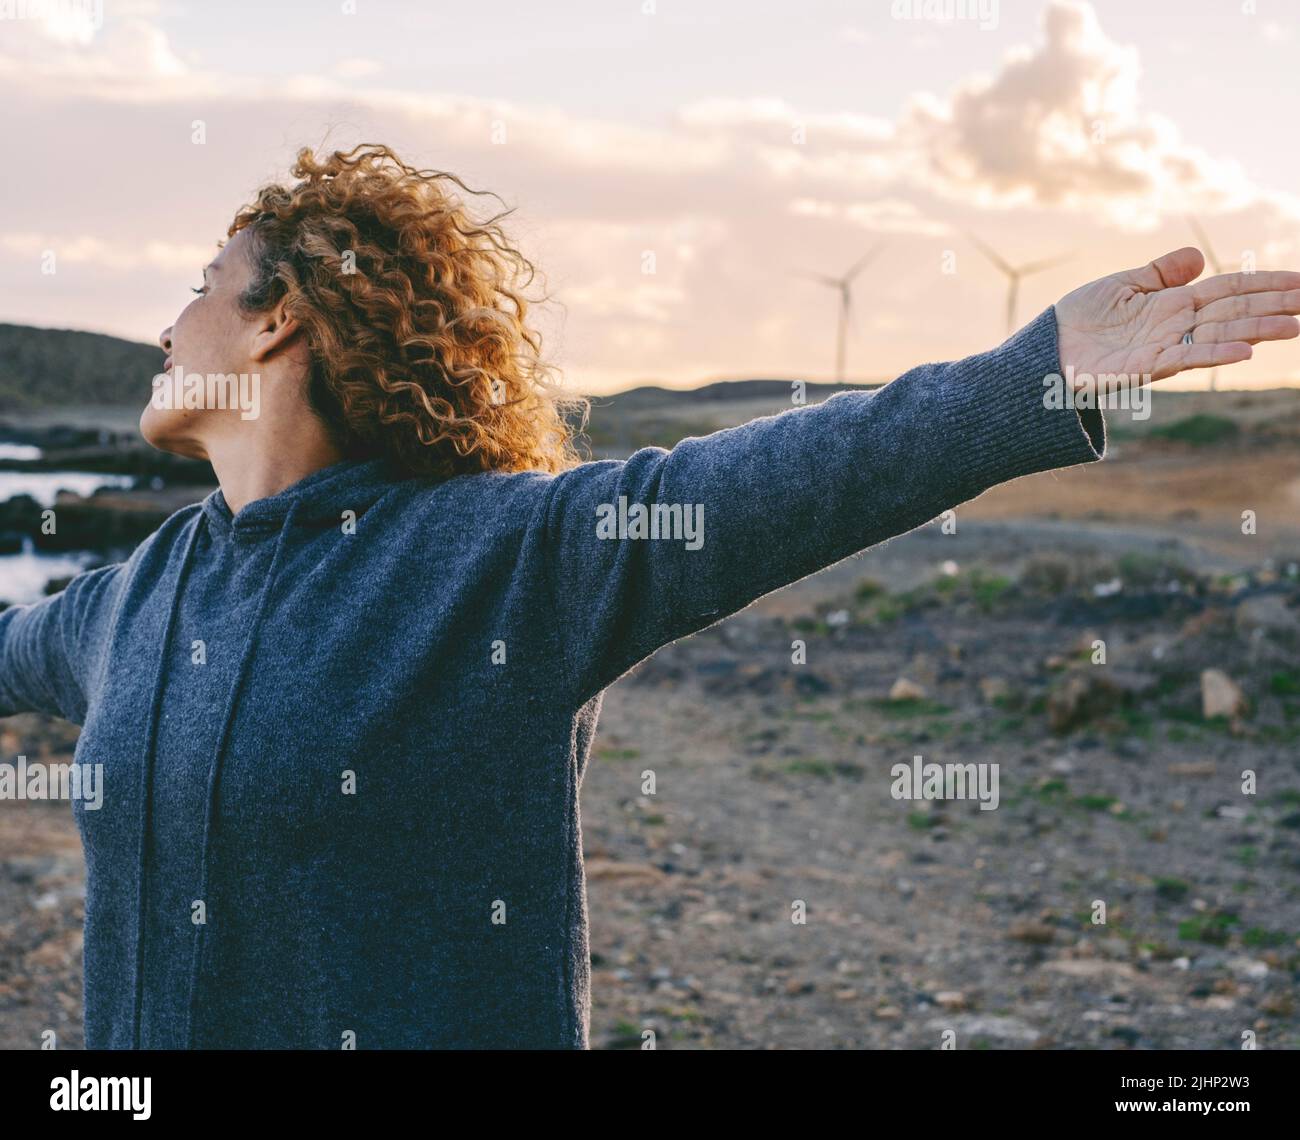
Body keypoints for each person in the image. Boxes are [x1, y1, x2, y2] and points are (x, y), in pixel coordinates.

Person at [2, 144, 1297, 1049]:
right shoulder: (137, 597)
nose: (166, 327)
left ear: (279, 321)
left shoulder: (505, 560)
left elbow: (790, 475)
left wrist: (1039, 376)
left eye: (194, 288)